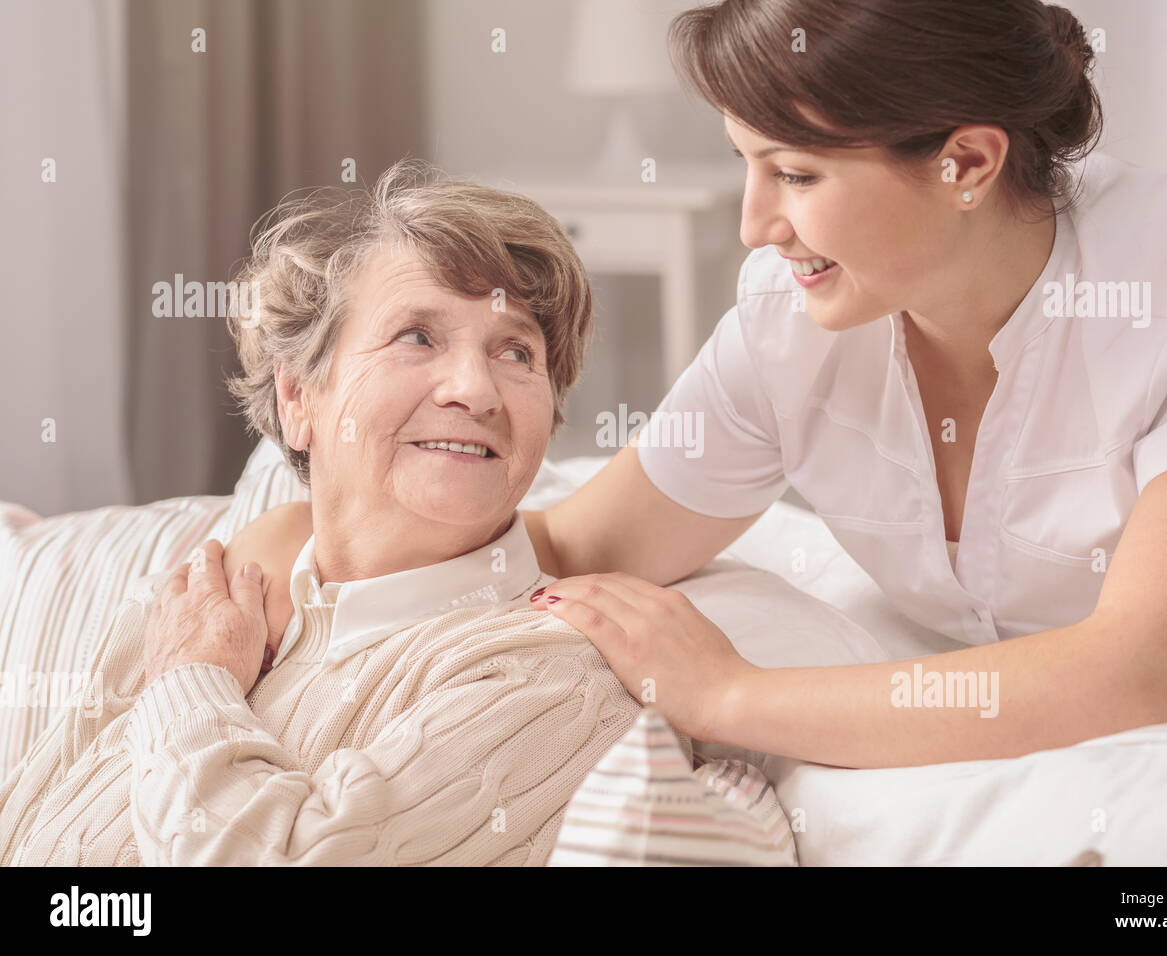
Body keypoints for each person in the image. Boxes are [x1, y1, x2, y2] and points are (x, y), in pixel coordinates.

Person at [226, 0, 1167, 771]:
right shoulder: (796, 318)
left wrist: (735, 695)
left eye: (796, 174)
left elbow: (1150, 675)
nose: (754, 223)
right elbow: (582, 544)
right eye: (747, 163)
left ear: (965, 163)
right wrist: (308, 548)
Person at [0, 160, 667, 865]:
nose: (477, 389)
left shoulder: (549, 685)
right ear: (298, 400)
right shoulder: (206, 605)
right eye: (418, 336)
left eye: (516, 351)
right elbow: (30, 823)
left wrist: (188, 684)